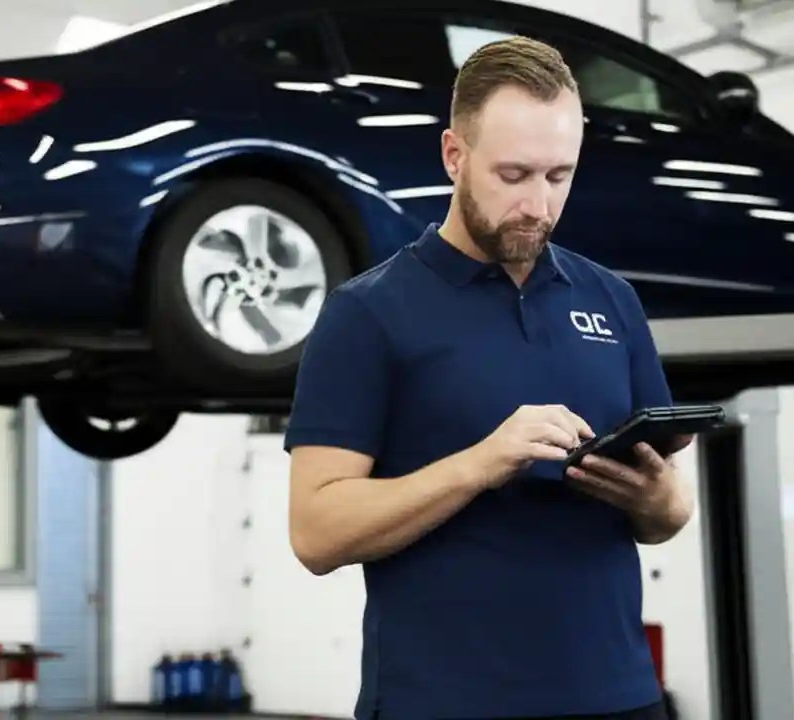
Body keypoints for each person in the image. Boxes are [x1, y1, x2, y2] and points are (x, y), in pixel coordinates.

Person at [283, 36, 695, 720]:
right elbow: (316, 534)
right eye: (514, 175)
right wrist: (481, 463)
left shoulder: (612, 300)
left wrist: (655, 499)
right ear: (455, 155)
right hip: (442, 704)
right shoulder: (368, 314)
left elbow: (669, 514)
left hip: (618, 699)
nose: (538, 204)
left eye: (558, 176)